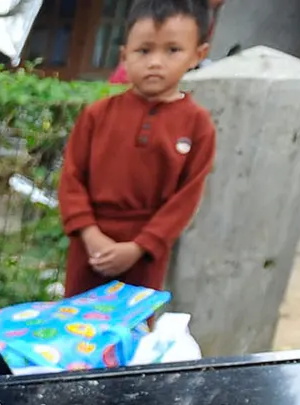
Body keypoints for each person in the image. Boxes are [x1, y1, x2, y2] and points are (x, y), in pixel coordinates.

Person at [58, 0, 217, 297]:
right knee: (77, 326)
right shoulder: (97, 115)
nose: (155, 62)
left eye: (172, 50)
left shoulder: (198, 125)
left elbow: (186, 197)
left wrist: (139, 247)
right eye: (144, 50)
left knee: (133, 331)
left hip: (144, 253)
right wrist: (90, 235)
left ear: (198, 55)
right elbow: (72, 177)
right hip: (89, 247)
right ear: (124, 55)